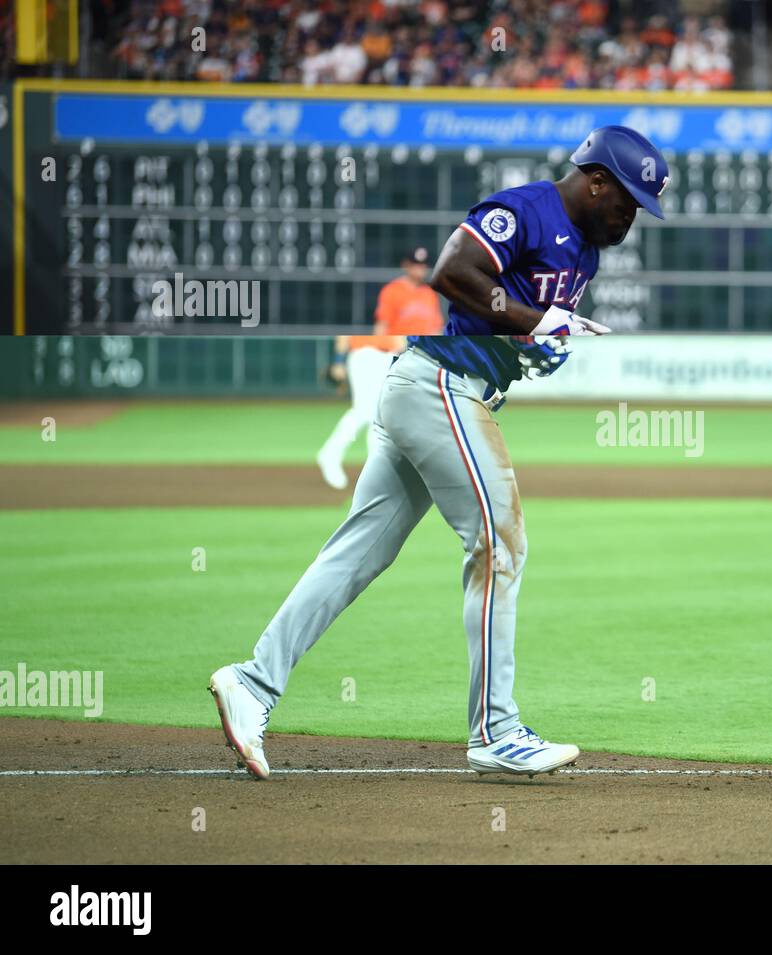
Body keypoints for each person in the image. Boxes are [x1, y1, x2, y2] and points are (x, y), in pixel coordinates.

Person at [209, 126, 670, 778]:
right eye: (627, 203)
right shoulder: (525, 209)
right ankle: (497, 729)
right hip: (438, 386)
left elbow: (512, 325)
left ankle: (251, 682)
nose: (631, 218)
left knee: (356, 553)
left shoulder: (587, 254)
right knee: (499, 541)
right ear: (596, 180)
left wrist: (538, 344)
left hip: (439, 390)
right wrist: (537, 322)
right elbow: (451, 272)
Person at [315, 247, 443, 490]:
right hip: (374, 354)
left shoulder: (429, 295)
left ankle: (377, 470)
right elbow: (382, 329)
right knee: (366, 410)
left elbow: (435, 331)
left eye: (424, 264)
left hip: (402, 358)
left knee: (383, 415)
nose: (420, 268)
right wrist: (341, 362)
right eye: (415, 264)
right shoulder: (393, 291)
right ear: (406, 265)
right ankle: (330, 454)